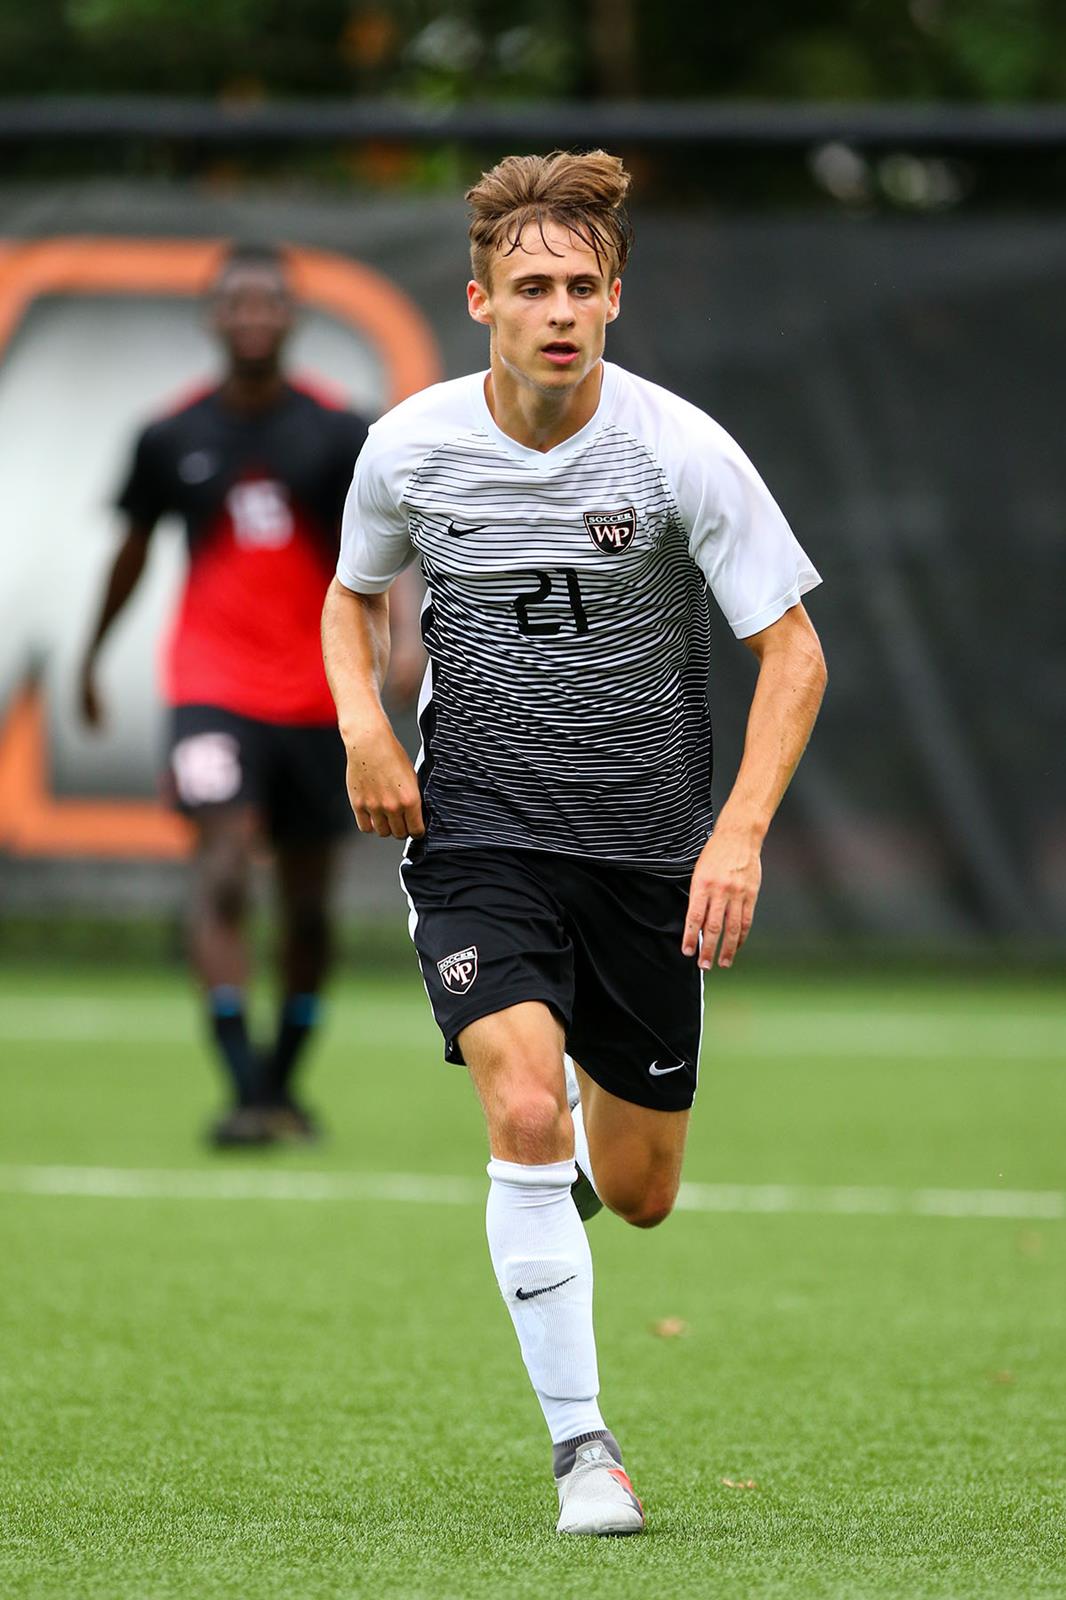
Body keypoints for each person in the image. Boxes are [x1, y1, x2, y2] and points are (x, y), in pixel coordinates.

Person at [321, 151, 827, 1534]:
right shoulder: (411, 445)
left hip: (647, 856)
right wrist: (365, 728)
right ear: (479, 301)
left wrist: (734, 838)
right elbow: (351, 596)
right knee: (524, 1109)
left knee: (642, 1191)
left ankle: (555, 1197)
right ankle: (584, 1453)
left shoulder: (679, 450)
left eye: (580, 287)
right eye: (531, 286)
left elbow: (792, 655)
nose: (557, 310)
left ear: (615, 300)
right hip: (477, 839)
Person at [79, 241, 419, 1146]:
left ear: (291, 316)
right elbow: (131, 553)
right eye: (237, 301)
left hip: (320, 695)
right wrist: (89, 659)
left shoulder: (338, 431)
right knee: (224, 866)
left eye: (269, 300)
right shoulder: (171, 436)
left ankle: (280, 1083)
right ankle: (243, 1087)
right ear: (213, 316)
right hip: (213, 689)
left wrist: (407, 635)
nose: (253, 315)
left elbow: (390, 544)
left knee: (307, 905)